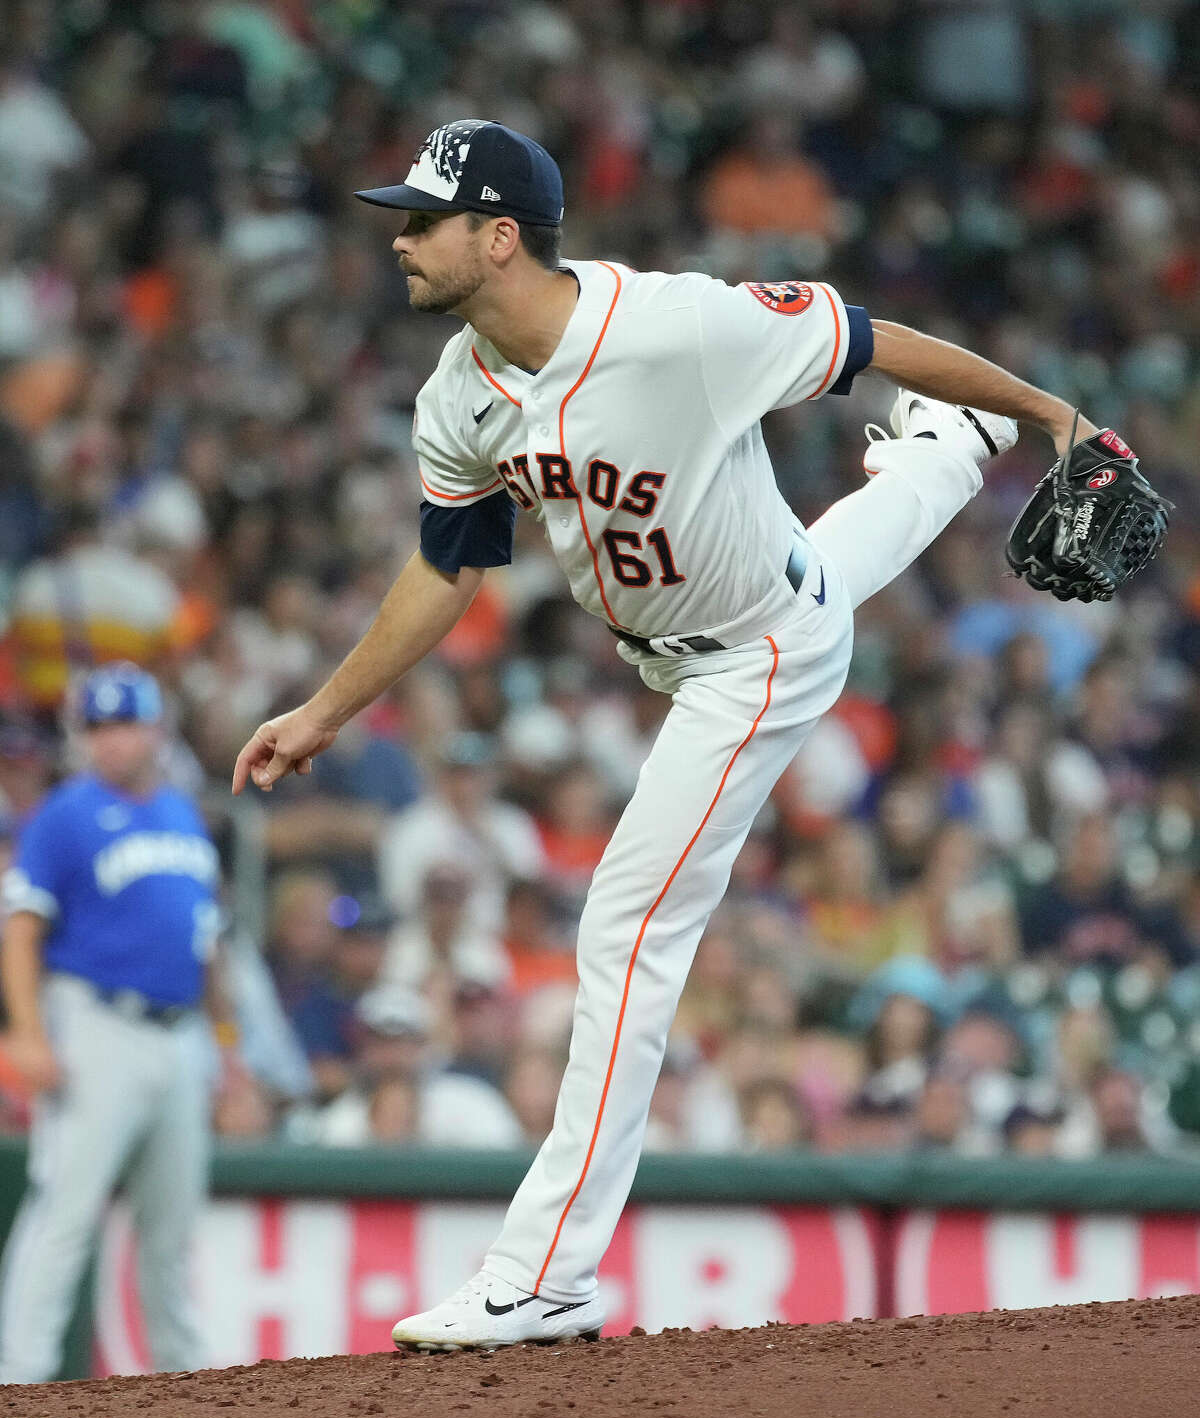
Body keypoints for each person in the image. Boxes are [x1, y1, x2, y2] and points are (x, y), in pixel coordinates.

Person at [232, 118, 1108, 1350]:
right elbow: (448, 565)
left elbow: (868, 337)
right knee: (826, 559)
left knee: (624, 930)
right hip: (752, 601)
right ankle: (948, 451)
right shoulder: (459, 393)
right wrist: (324, 710)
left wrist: (1053, 412)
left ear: (498, 236)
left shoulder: (678, 327)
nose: (401, 243)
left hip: (749, 663)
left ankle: (545, 1272)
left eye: (421, 222)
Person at [0, 664, 226, 1382]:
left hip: (180, 1033)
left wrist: (227, 1044)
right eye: (98, 727)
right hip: (95, 1023)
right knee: (64, 1211)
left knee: (171, 1227)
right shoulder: (65, 813)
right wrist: (29, 1032)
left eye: (126, 724)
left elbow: (207, 941)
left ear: (156, 730)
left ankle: (180, 1381)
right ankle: (17, 1377)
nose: (113, 741)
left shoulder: (183, 813)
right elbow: (21, 929)